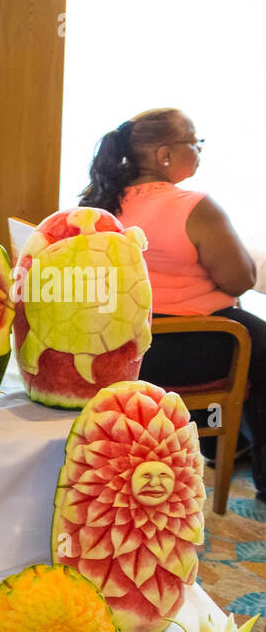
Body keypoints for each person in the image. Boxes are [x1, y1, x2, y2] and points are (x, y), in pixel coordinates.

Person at [81, 108, 265, 500]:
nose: (199, 151)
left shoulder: (99, 203)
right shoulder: (195, 206)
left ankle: (225, 442)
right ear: (164, 155)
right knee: (256, 343)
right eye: (194, 142)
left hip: (118, 346)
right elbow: (240, 280)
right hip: (188, 344)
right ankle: (240, 452)